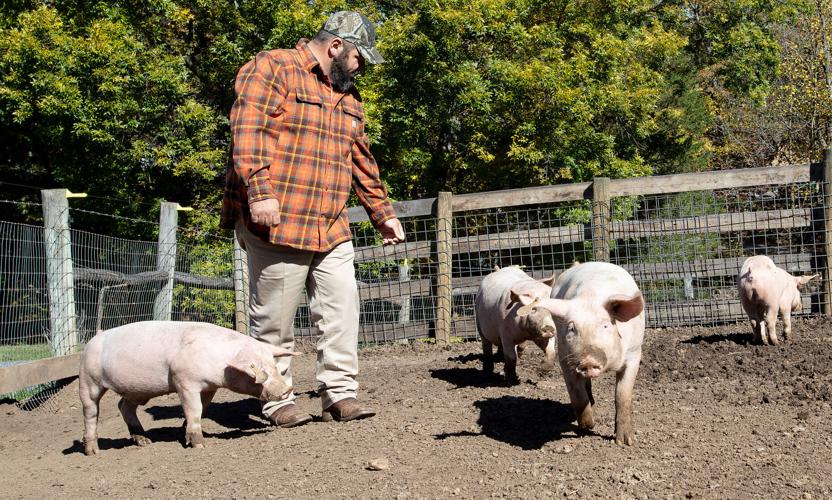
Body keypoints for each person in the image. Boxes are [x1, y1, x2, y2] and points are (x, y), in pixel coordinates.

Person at [221, 11, 405, 428]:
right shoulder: (272, 67)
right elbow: (248, 131)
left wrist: (383, 213)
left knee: (342, 309)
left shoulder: (349, 99)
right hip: (278, 221)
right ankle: (276, 397)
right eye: (360, 58)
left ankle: (340, 394)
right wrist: (260, 192)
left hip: (331, 223)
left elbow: (361, 159)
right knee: (274, 320)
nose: (361, 68)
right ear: (336, 46)